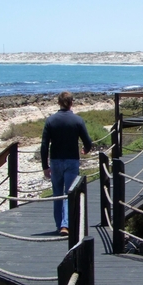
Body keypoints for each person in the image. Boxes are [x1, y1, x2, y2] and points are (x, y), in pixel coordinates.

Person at [41, 91, 92, 235]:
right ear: (71, 103)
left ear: (58, 102)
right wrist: (86, 149)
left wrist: (45, 166)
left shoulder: (50, 120)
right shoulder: (77, 120)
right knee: (69, 192)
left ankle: (60, 225)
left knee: (57, 194)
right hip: (72, 160)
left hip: (55, 161)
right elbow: (87, 141)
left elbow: (44, 145)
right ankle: (66, 224)